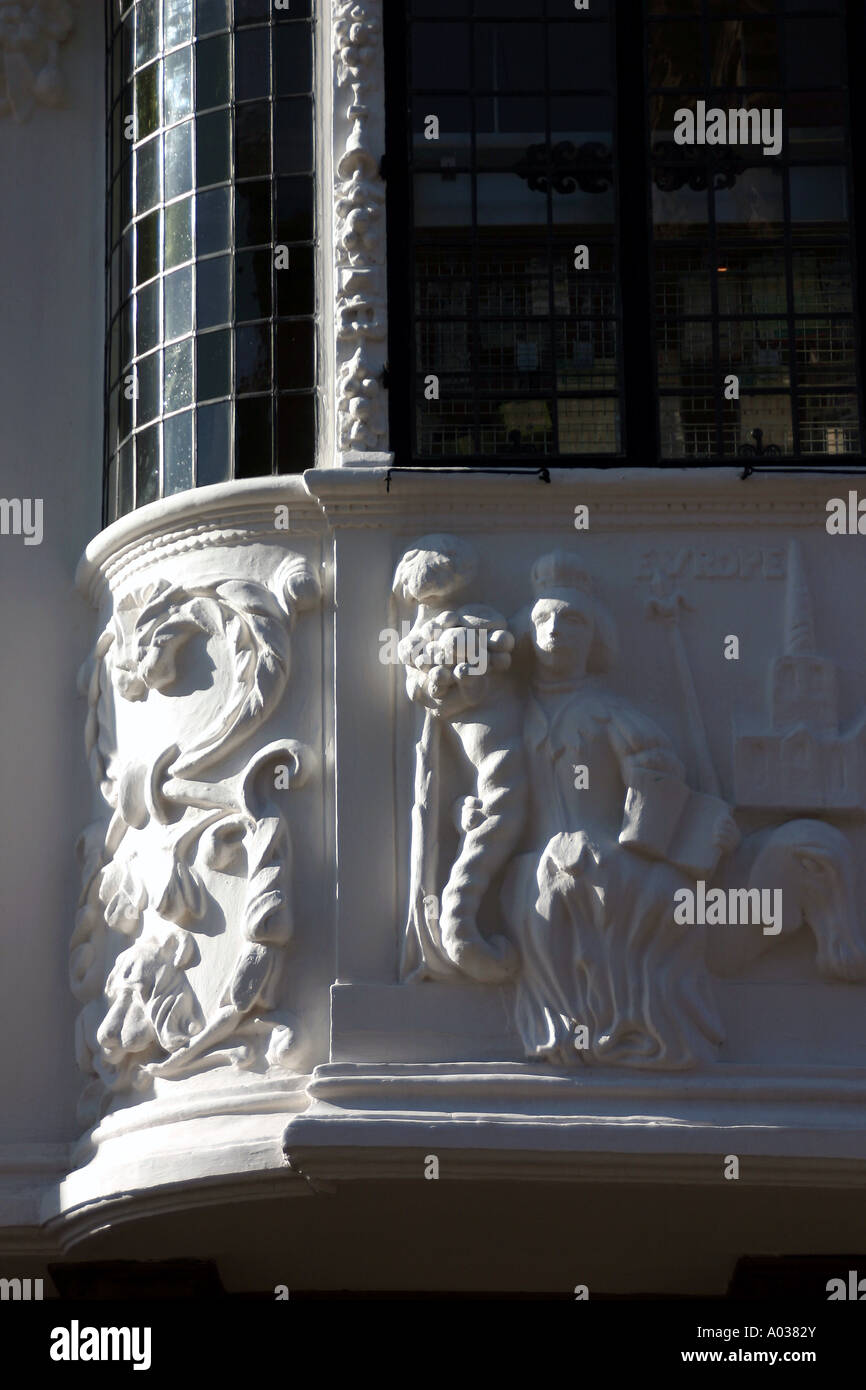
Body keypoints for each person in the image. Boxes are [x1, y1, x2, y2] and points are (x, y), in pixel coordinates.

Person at [502, 552, 734, 1069]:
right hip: (533, 871)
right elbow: (494, 793)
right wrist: (464, 815)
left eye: (573, 618)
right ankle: (560, 1026)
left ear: (597, 637)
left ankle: (627, 1024)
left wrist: (630, 841)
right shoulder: (513, 718)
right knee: (535, 887)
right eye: (543, 617)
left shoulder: (611, 713)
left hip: (614, 863)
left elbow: (658, 781)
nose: (556, 627)